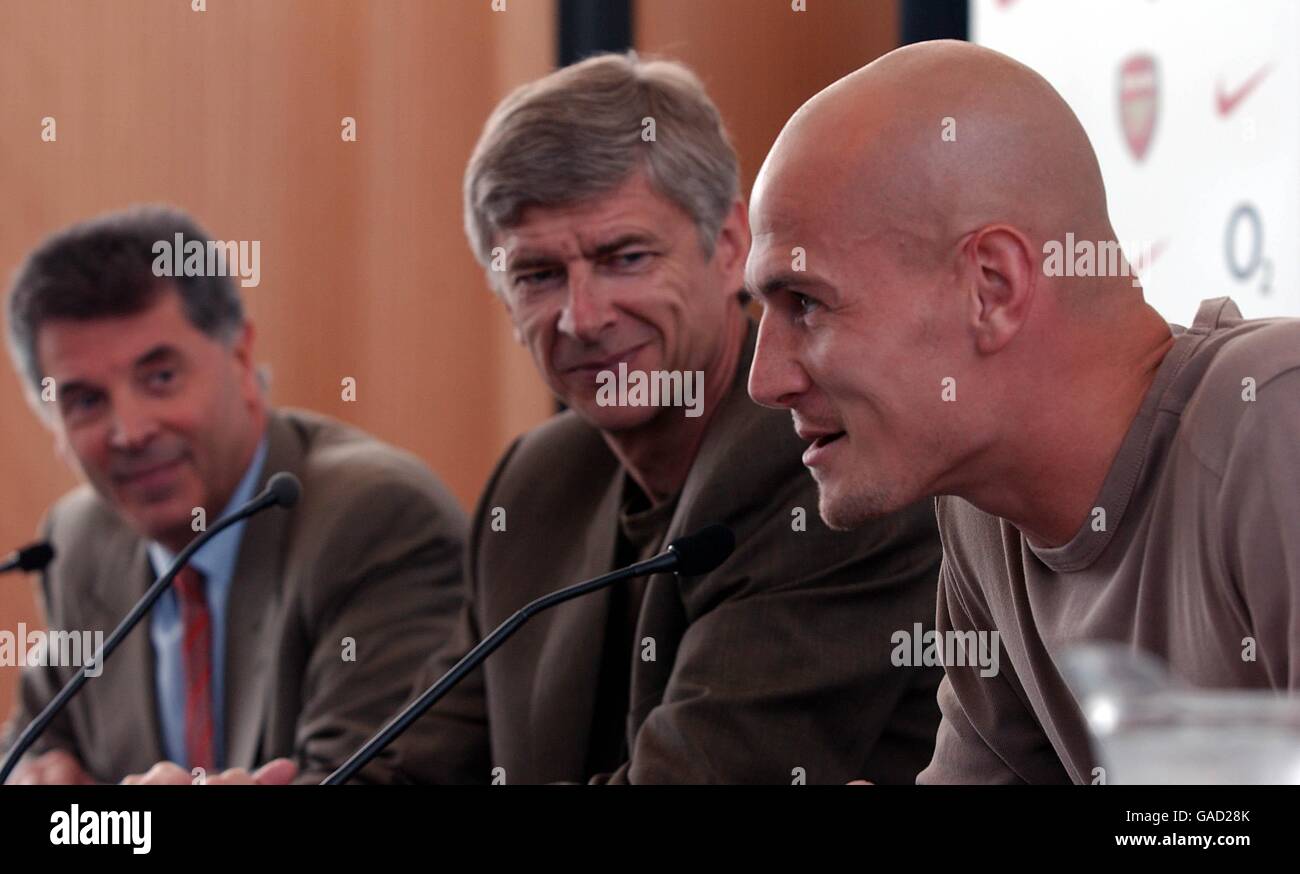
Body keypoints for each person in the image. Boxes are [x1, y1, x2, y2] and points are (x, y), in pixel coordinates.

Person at [745, 39, 1300, 783]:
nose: (763, 379)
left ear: (993, 288)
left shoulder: (1273, 420)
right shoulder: (983, 516)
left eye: (806, 303)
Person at [1, 206, 466, 785]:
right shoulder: (77, 540)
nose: (131, 431)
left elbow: (374, 780)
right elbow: (34, 743)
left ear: (242, 359)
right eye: (86, 401)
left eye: (161, 378)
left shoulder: (376, 518)